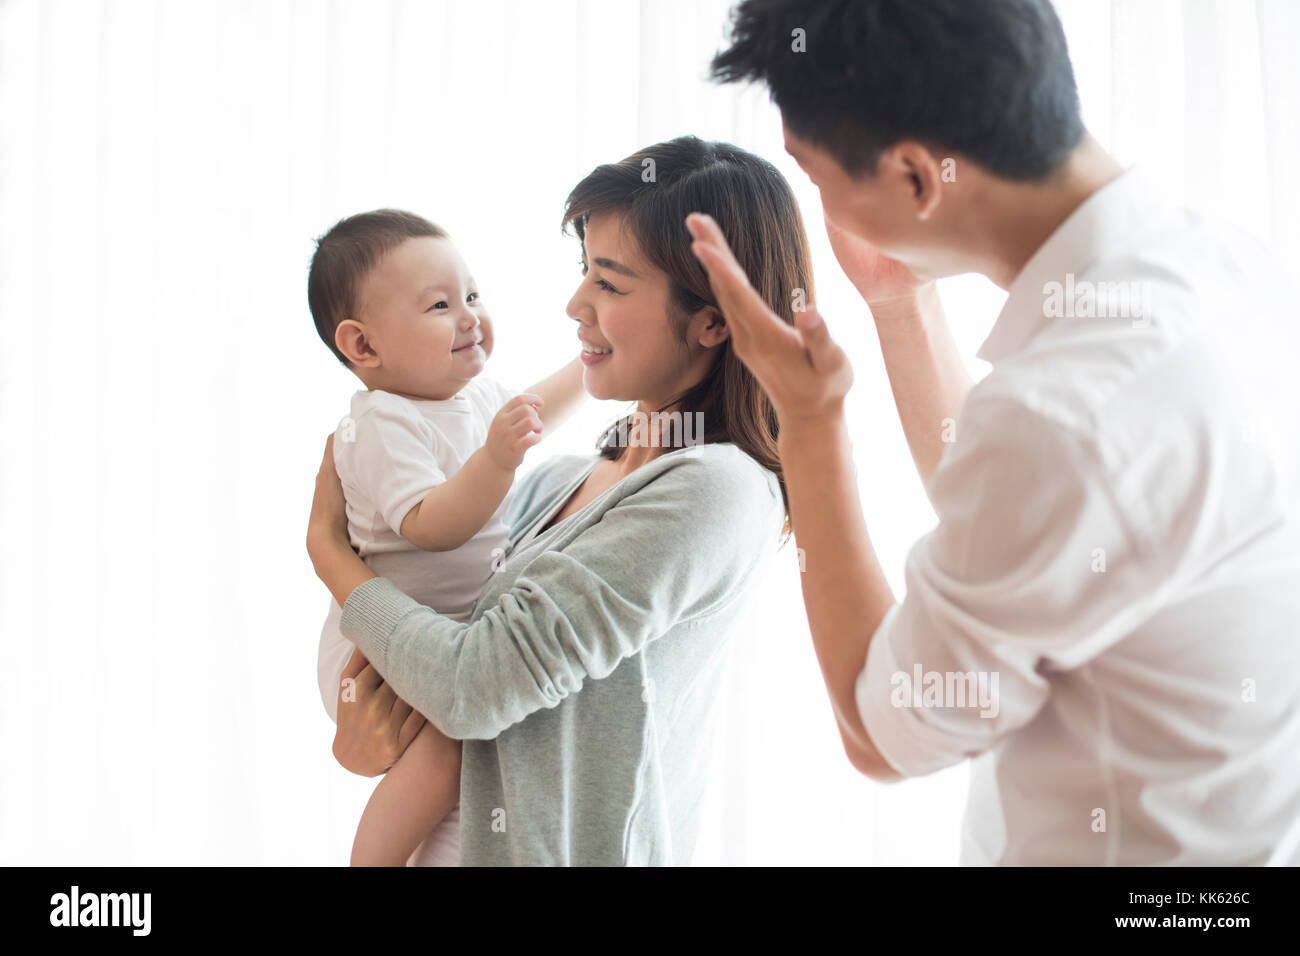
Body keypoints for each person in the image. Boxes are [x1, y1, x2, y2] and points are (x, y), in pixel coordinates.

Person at [688, 0, 1300, 864]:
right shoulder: (1235, 268)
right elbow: (1033, 542)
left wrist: (811, 421)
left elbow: (883, 732)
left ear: (915, 176)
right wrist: (902, 302)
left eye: (815, 173)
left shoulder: (1066, 410)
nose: (815, 200)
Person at [306, 136, 806, 865]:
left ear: (714, 319)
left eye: (610, 283)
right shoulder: (556, 484)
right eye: (583, 272)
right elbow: (450, 689)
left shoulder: (713, 491)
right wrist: (366, 733)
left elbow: (471, 687)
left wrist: (328, 556)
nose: (575, 304)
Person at [306, 209, 586, 865]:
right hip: (373, 652)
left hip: (448, 634)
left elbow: (534, 412)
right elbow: (430, 525)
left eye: (473, 295)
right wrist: (496, 460)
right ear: (364, 346)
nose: (469, 316)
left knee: (466, 746)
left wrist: (591, 365)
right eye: (439, 304)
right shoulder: (380, 423)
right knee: (449, 747)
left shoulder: (478, 398)